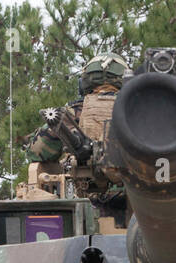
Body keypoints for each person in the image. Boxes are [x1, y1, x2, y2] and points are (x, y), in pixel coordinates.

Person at [22, 53, 130, 225]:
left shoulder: (72, 113)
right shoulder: (138, 111)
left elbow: (36, 152)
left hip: (81, 210)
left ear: (85, 82)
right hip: (138, 210)